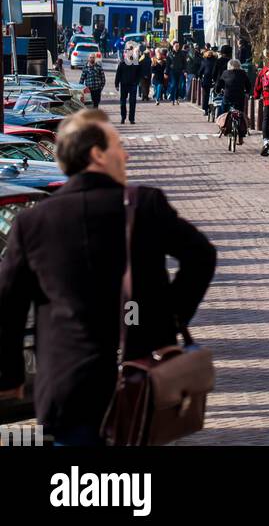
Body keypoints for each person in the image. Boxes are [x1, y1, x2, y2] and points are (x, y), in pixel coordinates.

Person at [0, 108, 216, 446]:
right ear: (97, 154)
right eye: (118, 145)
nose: (126, 154)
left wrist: (11, 374)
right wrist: (169, 322)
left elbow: (9, 305)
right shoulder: (144, 205)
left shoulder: (33, 223)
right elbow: (201, 256)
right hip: (141, 376)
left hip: (67, 385)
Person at [214, 58, 251, 143]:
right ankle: (241, 137)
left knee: (223, 110)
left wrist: (218, 90)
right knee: (240, 114)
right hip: (239, 97)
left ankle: (221, 127)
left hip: (228, 96)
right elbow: (248, 85)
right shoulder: (243, 73)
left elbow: (219, 84)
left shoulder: (225, 73)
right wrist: (247, 92)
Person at [114, 45, 141, 126]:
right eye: (127, 53)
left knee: (132, 102)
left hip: (133, 84)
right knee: (123, 102)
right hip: (124, 84)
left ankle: (131, 119)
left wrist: (137, 82)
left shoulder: (136, 63)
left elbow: (138, 74)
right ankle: (123, 117)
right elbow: (118, 74)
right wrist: (116, 84)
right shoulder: (122, 63)